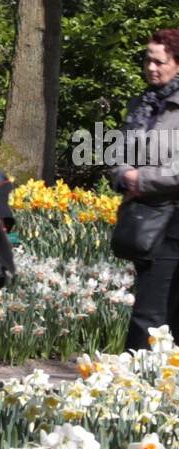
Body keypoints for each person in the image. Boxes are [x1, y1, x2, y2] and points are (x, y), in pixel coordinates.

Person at [111, 28, 179, 351]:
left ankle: (139, 385)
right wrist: (124, 175)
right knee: (152, 309)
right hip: (146, 218)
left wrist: (142, 180)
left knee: (155, 312)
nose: (151, 67)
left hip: (174, 220)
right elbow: (118, 154)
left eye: (159, 61)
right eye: (147, 60)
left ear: (177, 64)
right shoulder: (140, 104)